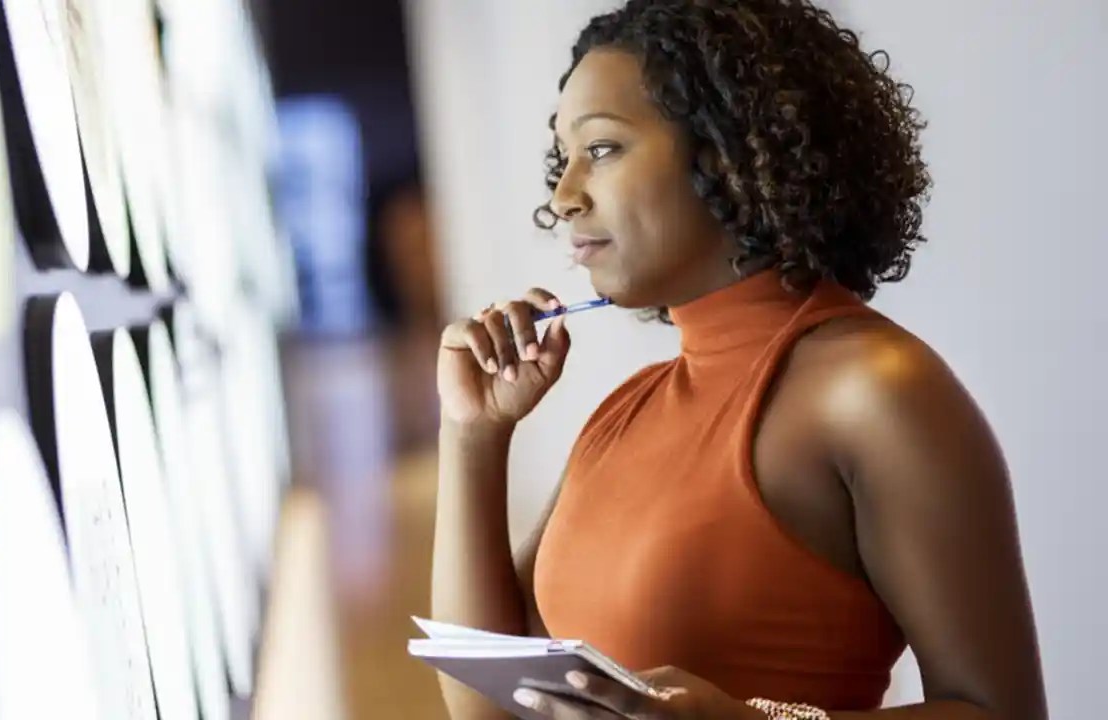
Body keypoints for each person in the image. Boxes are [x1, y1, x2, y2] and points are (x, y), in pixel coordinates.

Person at [430, 1, 1046, 719]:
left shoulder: (876, 390)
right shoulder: (627, 410)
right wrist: (473, 434)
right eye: (562, 158)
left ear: (727, 153)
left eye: (601, 148)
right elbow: (486, 709)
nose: (564, 197)